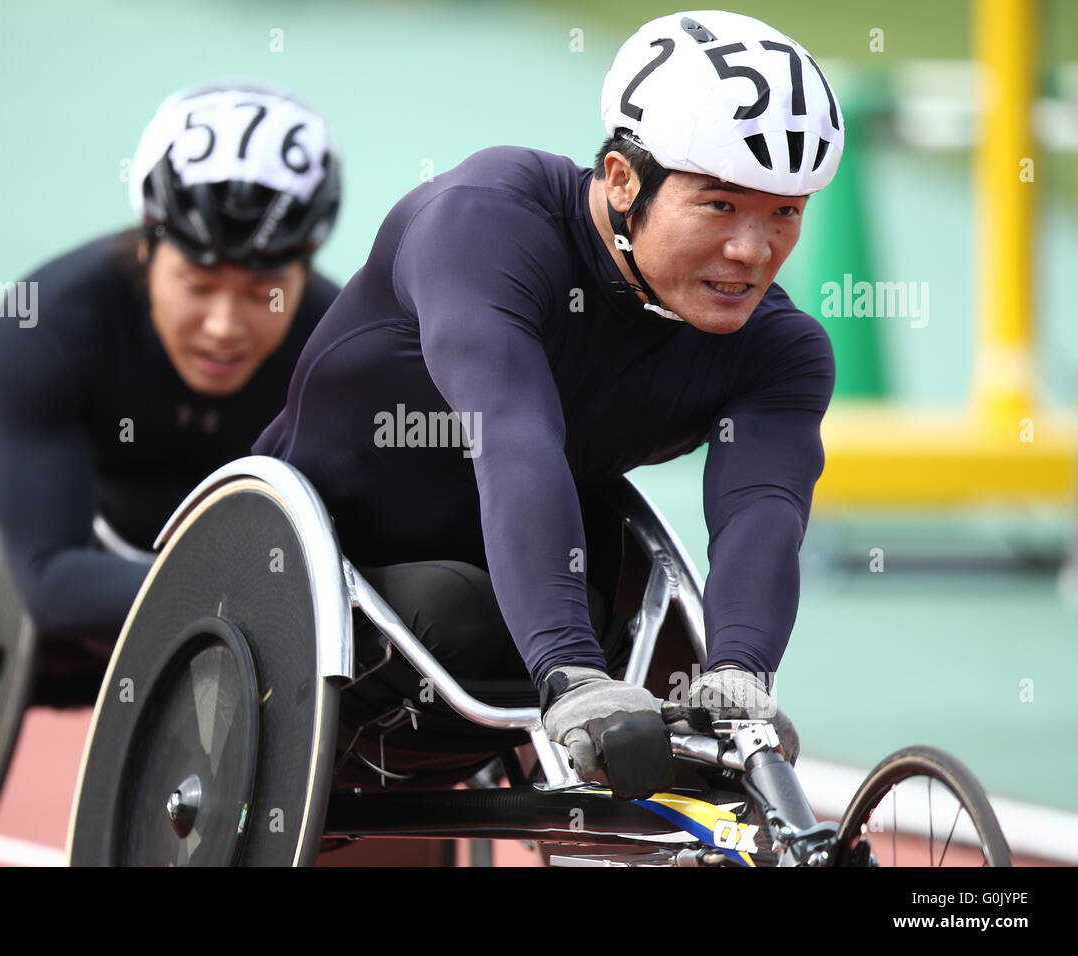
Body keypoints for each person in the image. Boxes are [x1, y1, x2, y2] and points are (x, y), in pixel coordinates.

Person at [254, 9, 842, 786]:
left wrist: (739, 676)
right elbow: (512, 436)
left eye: (785, 213)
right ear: (623, 178)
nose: (752, 251)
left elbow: (763, 511)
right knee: (459, 608)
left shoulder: (777, 350)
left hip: (524, 582)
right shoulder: (484, 224)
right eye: (720, 206)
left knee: (647, 667)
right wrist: (571, 670)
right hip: (312, 559)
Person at [0, 80, 341, 704]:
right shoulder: (49, 321)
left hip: (243, 576)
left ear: (306, 268)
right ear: (150, 246)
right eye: (199, 285)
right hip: (91, 587)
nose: (224, 326)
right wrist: (252, 599)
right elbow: (48, 583)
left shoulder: (338, 351)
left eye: (263, 293)